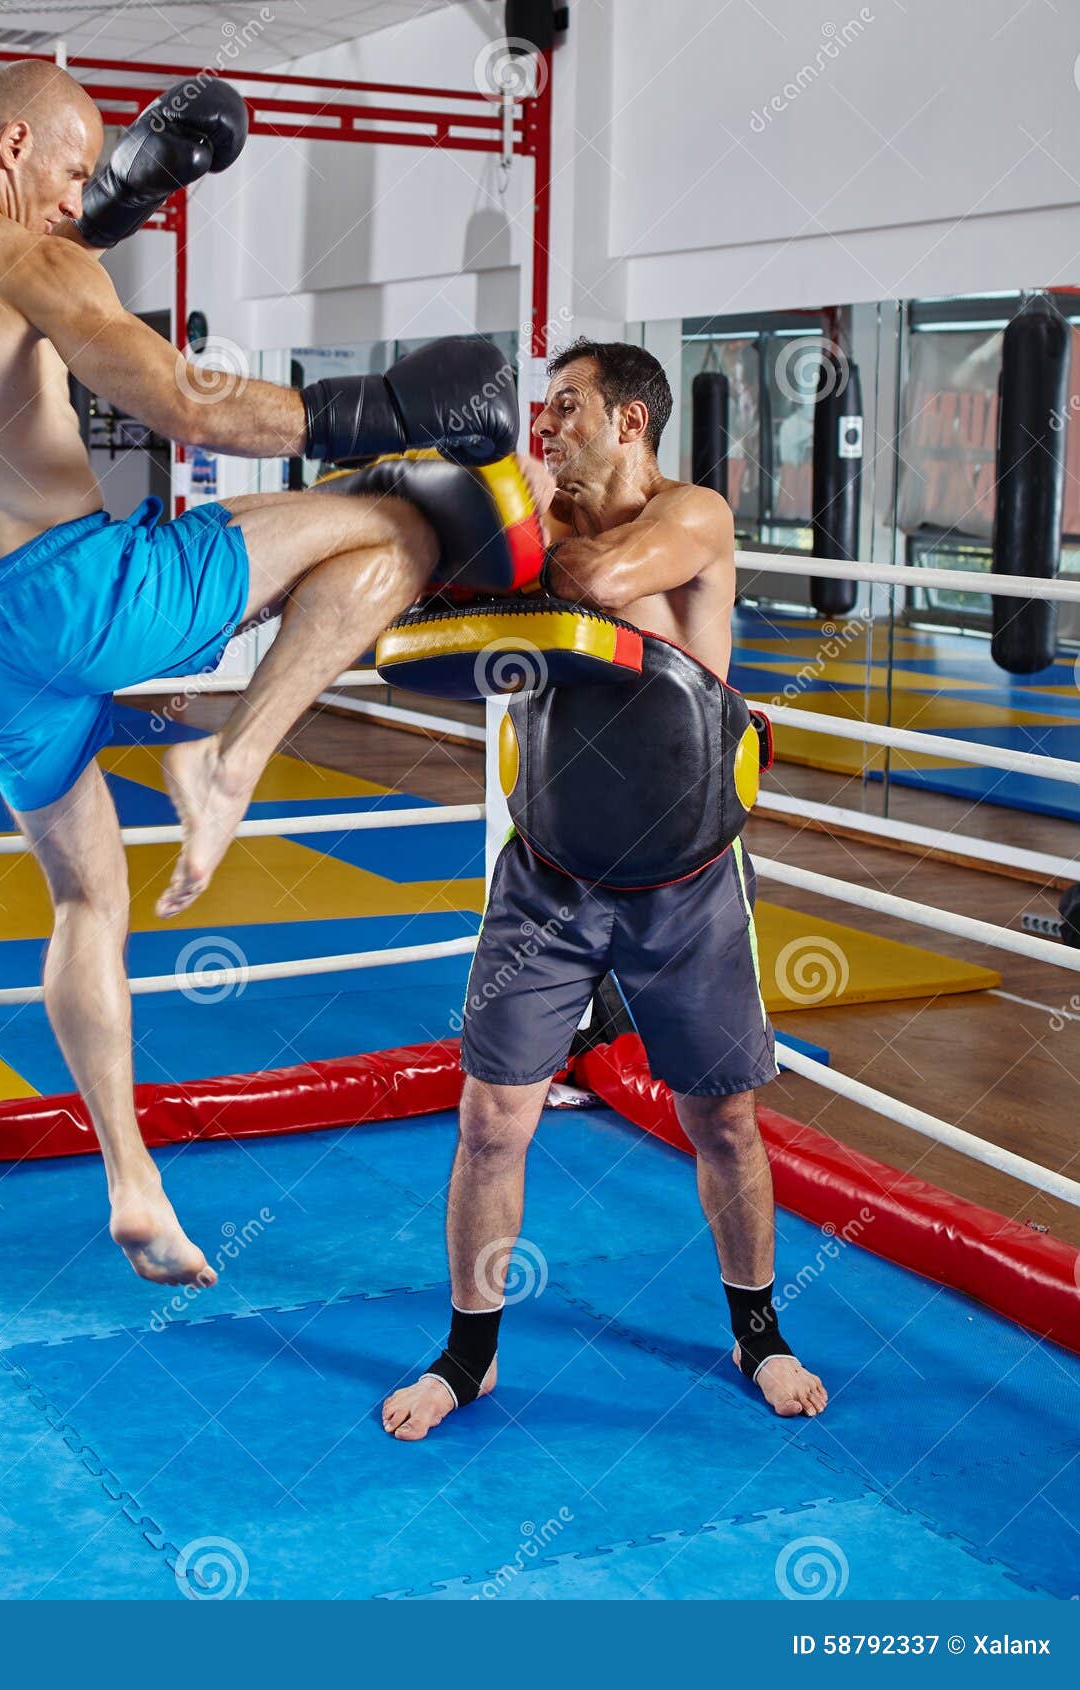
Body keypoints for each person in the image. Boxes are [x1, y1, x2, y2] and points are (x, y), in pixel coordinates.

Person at [0, 60, 516, 1288]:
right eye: (74, 174)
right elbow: (189, 403)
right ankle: (231, 757)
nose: (76, 199)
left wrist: (110, 205)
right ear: (14, 143)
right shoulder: (31, 261)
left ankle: (132, 1183)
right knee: (394, 524)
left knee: (88, 899)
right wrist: (394, 406)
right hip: (82, 590)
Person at [382, 340, 828, 1437]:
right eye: (542, 410)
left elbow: (587, 585)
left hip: (685, 885)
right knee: (490, 1119)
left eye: (568, 407)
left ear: (630, 421)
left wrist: (516, 522)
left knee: (720, 1122)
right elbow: (418, 614)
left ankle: (757, 1332)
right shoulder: (530, 529)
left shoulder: (694, 518)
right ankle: (469, 1351)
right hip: (548, 882)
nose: (547, 426)